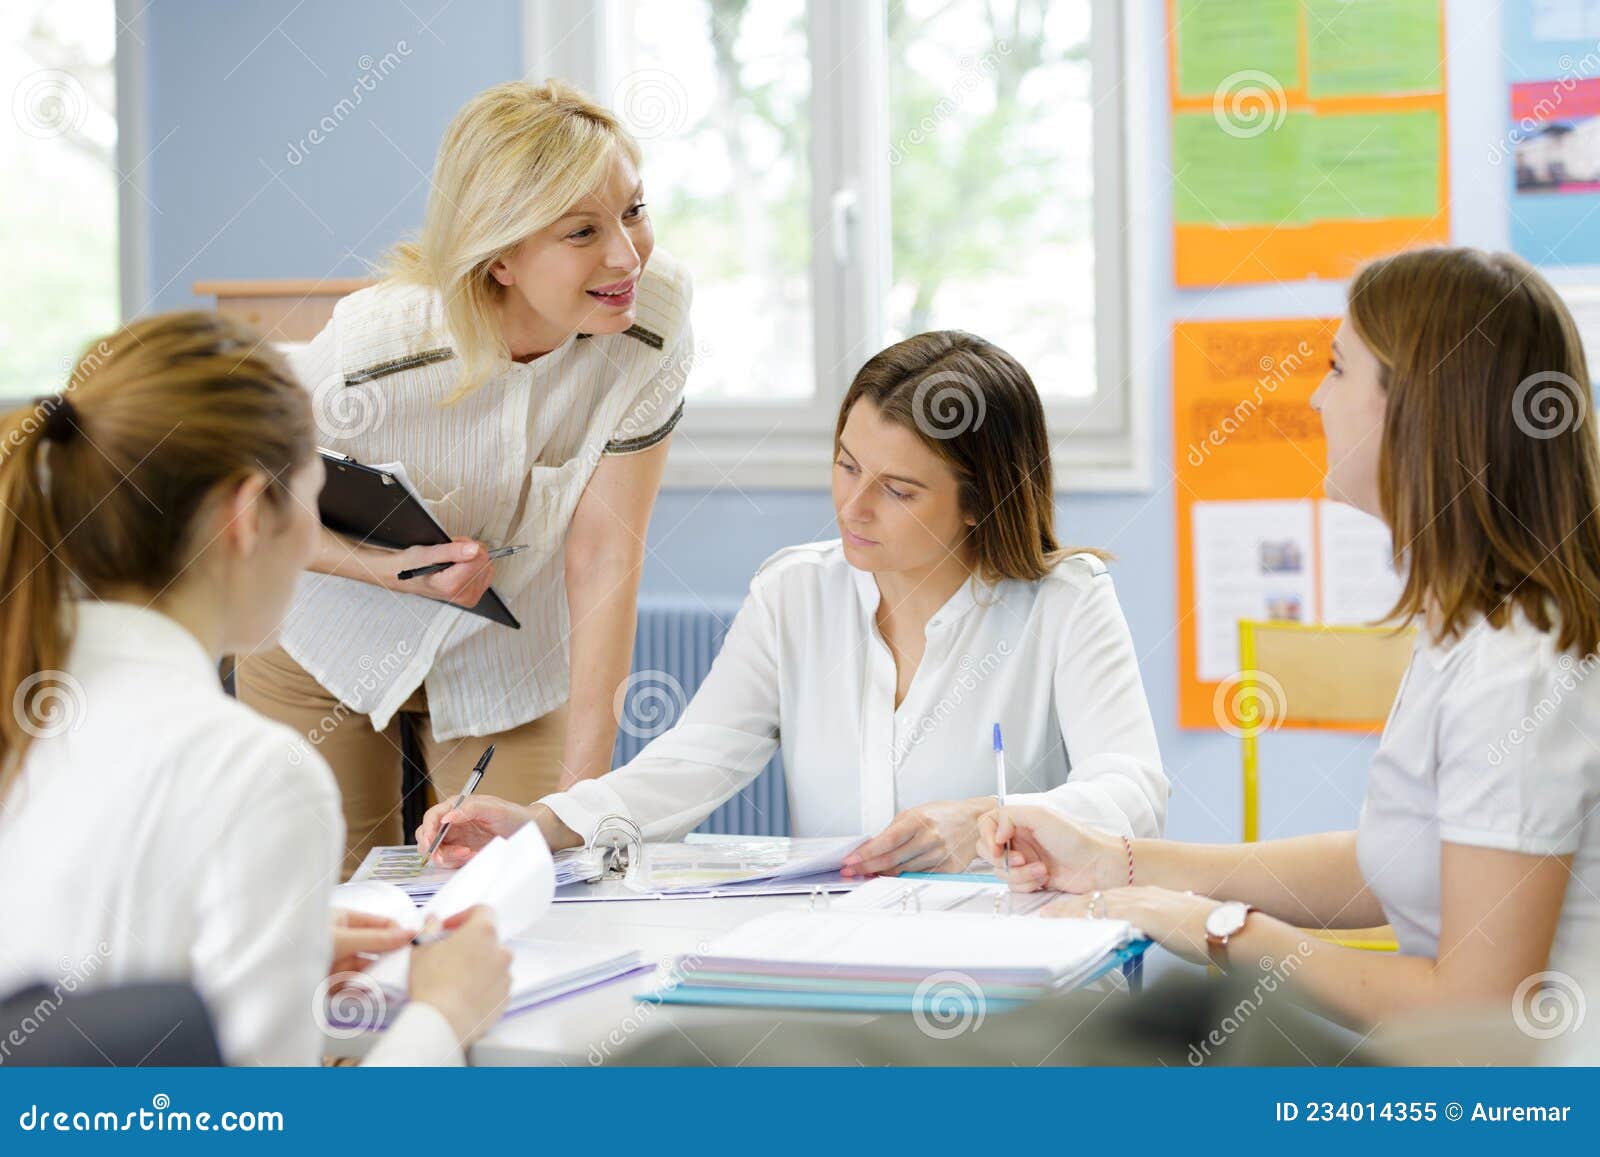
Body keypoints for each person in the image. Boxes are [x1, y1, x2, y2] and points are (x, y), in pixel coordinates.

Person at [980, 247, 1600, 1031]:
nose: (1314, 398)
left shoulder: (1515, 666)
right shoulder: (1475, 624)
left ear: (1417, 409)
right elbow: (1395, 863)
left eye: (1338, 369)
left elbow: (1470, 1018)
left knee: (1139, 1035)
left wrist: (1216, 928)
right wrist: (1118, 861)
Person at [419, 331, 1169, 874]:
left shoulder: (1065, 603)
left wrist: (988, 822)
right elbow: (697, 756)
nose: (854, 505)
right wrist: (541, 824)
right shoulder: (794, 593)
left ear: (980, 503)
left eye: (898, 490)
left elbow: (1134, 788)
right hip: (841, 955)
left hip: (1017, 950)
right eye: (846, 465)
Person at [0, 312, 511, 1065]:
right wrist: (443, 1012)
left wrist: (271, 945)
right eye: (313, 498)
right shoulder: (258, 775)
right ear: (245, 515)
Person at [235, 79, 693, 873]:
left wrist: (576, 807)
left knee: (528, 881)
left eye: (635, 210)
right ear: (501, 254)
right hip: (327, 646)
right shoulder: (374, 351)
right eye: (582, 230)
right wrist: (383, 568)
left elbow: (606, 555)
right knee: (329, 898)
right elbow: (244, 503)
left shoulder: (650, 329)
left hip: (508, 664)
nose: (627, 254)